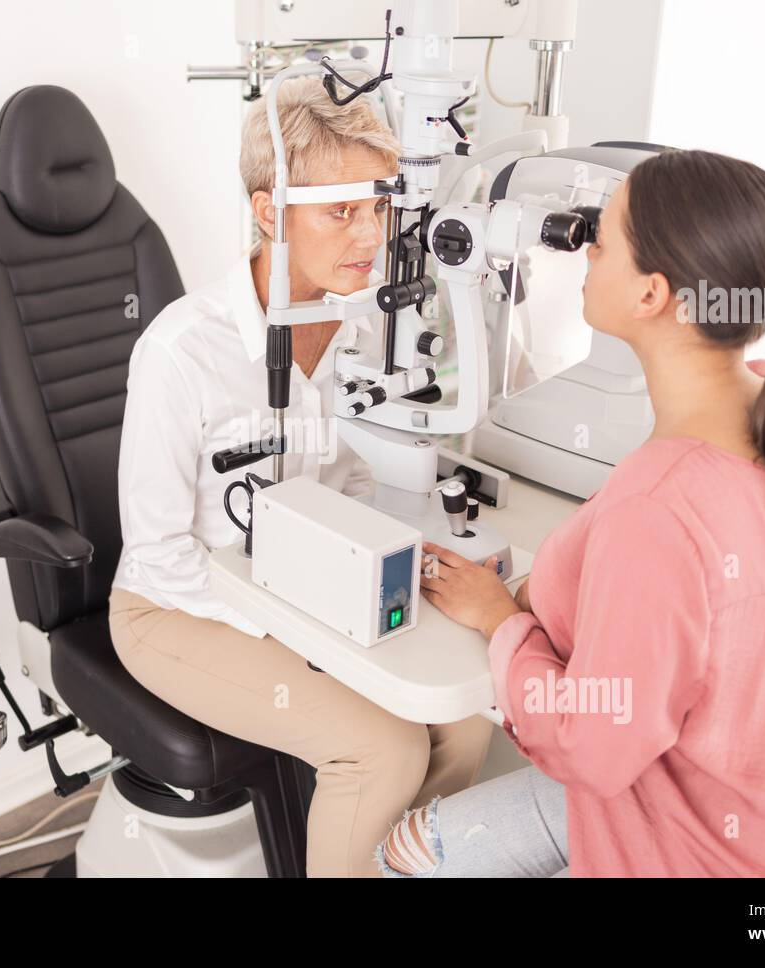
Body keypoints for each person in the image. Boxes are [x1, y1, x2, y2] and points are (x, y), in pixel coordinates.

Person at [379, 149, 765, 877]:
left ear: (651, 296)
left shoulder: (659, 507)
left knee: (402, 857)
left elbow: (591, 745)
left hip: (697, 853)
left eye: (599, 239)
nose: (583, 254)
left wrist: (503, 624)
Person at [109, 77, 493, 877]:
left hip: (300, 589)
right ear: (265, 211)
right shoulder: (183, 352)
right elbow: (157, 552)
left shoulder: (353, 326)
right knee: (381, 748)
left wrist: (382, 565)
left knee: (464, 724)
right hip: (173, 608)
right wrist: (304, 627)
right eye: (340, 211)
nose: (370, 235)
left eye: (378, 208)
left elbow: (343, 483)